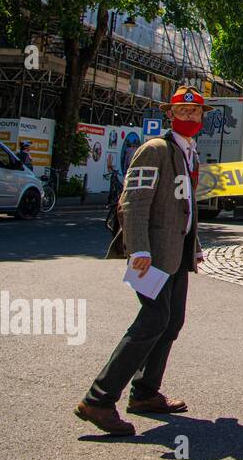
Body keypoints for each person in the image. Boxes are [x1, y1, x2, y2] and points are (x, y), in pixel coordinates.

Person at [76, 87, 211, 436]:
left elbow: (186, 208)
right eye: (183, 111)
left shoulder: (189, 153)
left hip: (176, 254)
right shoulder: (155, 150)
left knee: (172, 321)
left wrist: (193, 246)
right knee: (154, 319)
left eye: (196, 113)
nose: (190, 117)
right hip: (152, 254)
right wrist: (138, 250)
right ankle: (99, 399)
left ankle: (145, 392)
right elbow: (133, 201)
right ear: (170, 114)